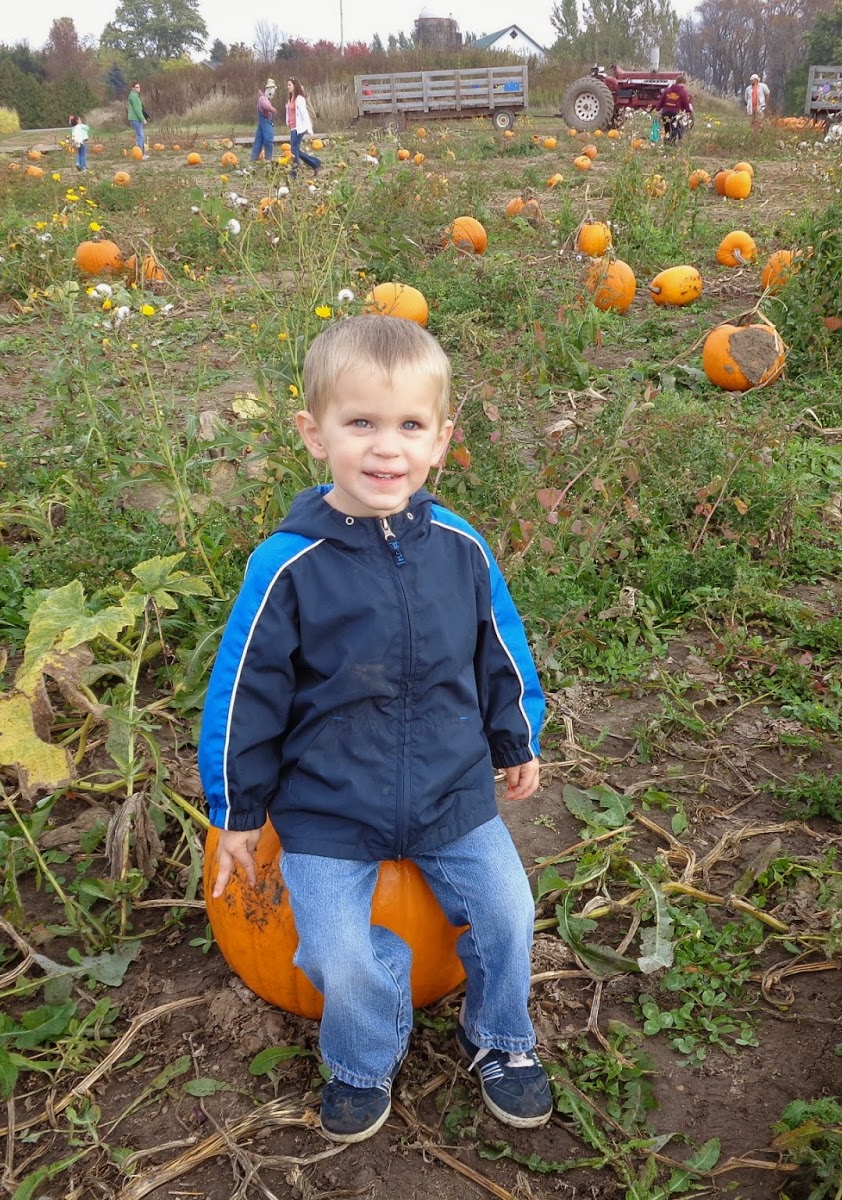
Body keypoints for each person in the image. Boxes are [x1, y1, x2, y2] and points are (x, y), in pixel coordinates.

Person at [201, 314, 552, 1145]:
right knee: (335, 957)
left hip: (448, 789)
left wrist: (514, 737)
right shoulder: (286, 564)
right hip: (327, 808)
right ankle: (362, 1057)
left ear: (440, 441)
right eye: (360, 423)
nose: (384, 448)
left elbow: (499, 648)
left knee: (510, 912)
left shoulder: (461, 547)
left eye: (408, 426)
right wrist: (237, 812)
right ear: (314, 434)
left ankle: (500, 1036)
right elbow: (243, 693)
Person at [285, 77, 320, 178]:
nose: (288, 87)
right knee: (295, 150)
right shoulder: (290, 98)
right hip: (293, 127)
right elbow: (289, 112)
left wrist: (309, 129)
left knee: (294, 149)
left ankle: (295, 171)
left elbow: (304, 114)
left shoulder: (300, 99)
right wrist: (288, 121)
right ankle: (315, 163)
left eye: (289, 85)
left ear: (295, 86)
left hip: (300, 128)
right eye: (287, 85)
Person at [657, 74, 693, 141]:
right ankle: (672, 144)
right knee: (674, 128)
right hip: (676, 112)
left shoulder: (667, 90)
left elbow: (661, 100)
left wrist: (658, 108)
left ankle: (666, 144)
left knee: (667, 129)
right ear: (683, 83)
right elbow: (685, 102)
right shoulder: (683, 91)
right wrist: (688, 111)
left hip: (665, 112)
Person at [251, 77, 276, 162]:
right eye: (273, 90)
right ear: (270, 90)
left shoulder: (264, 98)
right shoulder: (263, 99)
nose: (273, 93)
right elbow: (265, 106)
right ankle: (268, 158)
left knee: (258, 140)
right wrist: (272, 109)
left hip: (263, 123)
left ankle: (253, 159)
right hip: (266, 122)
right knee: (268, 140)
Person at [126, 83, 146, 152]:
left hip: (134, 118)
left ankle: (140, 152)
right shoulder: (134, 96)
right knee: (140, 136)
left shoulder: (134, 95)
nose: (138, 88)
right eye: (136, 87)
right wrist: (143, 119)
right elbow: (137, 109)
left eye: (139, 87)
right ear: (133, 88)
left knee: (139, 136)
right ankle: (141, 153)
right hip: (135, 118)